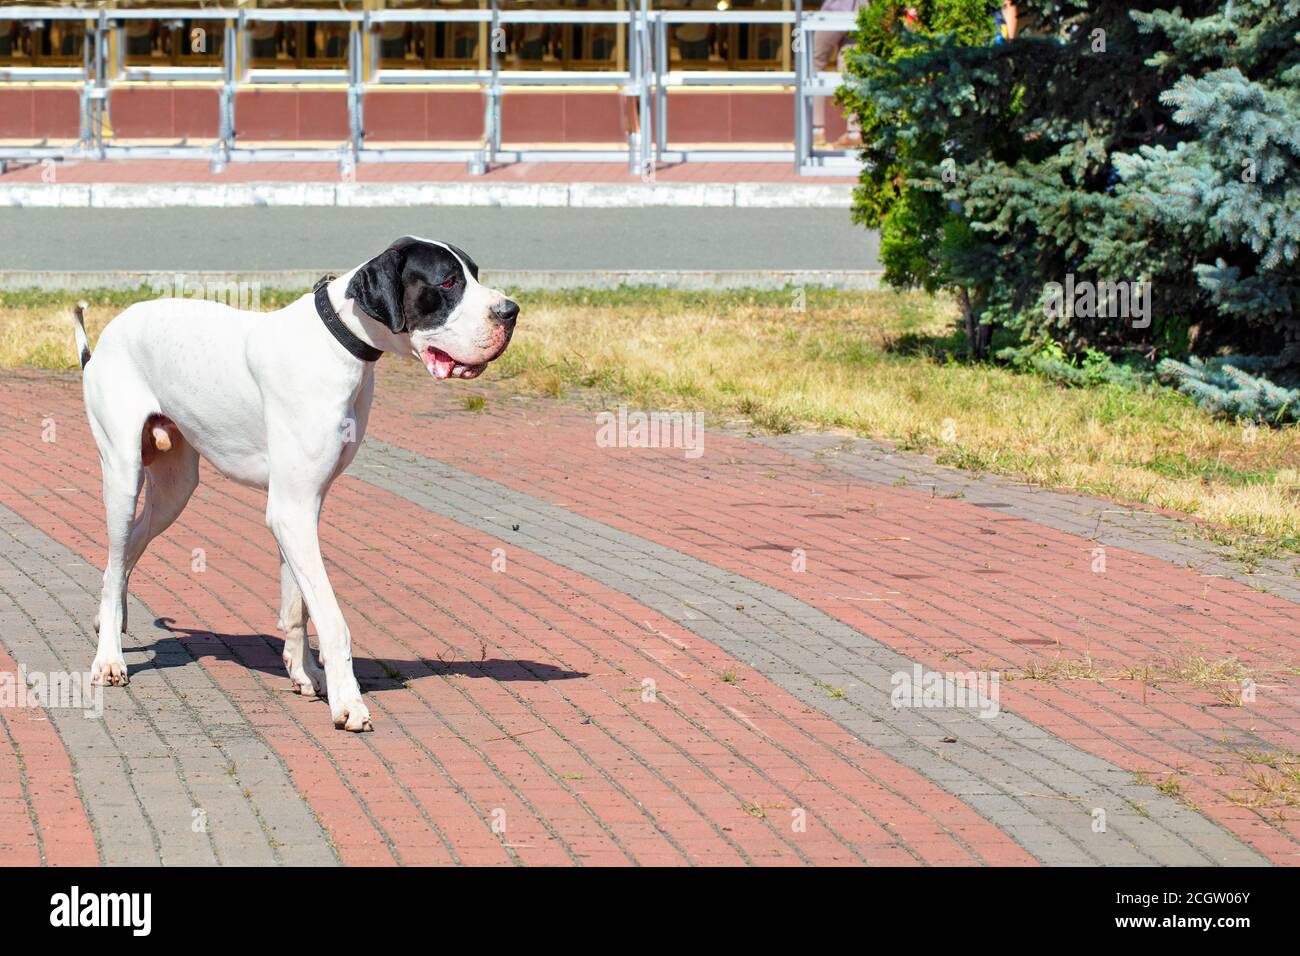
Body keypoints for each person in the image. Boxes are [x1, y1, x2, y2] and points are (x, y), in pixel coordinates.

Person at [812, 0, 866, 148]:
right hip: (861, 9)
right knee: (850, 64)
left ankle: (815, 132)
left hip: (837, 9)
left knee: (813, 63)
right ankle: (854, 134)